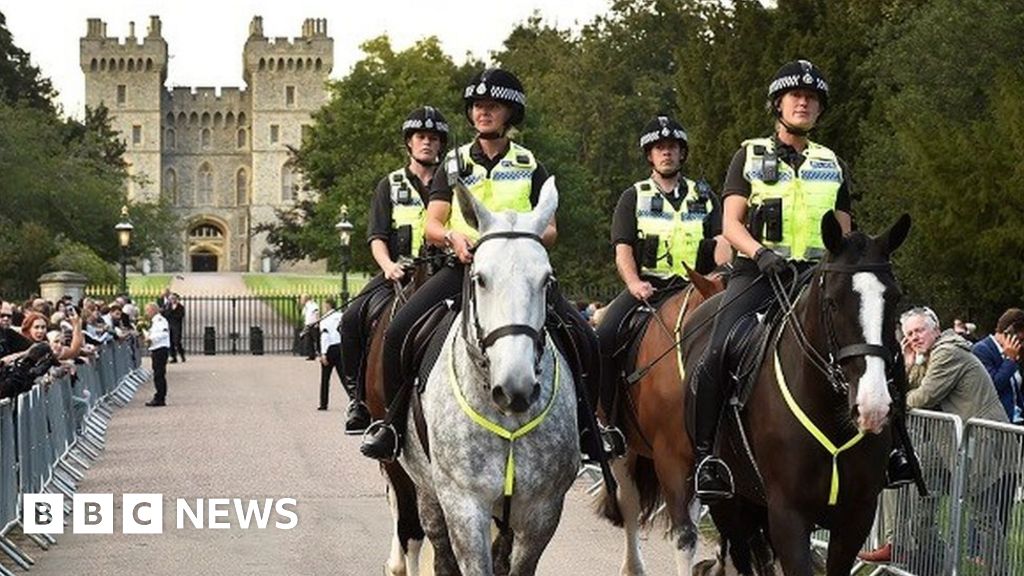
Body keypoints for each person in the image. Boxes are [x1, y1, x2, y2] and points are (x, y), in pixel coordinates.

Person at [361, 68, 611, 465]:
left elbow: (550, 230)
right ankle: (391, 427)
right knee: (399, 330)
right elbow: (432, 224)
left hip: (518, 273)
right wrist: (454, 239)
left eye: (491, 106)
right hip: (462, 269)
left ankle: (588, 430)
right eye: (477, 106)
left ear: (509, 112)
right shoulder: (455, 163)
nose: (482, 113)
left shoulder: (530, 164)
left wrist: (523, 238)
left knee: (583, 336)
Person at [691, 59, 914, 501]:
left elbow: (846, 232)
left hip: (819, 276)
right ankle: (707, 459)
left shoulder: (831, 163)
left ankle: (896, 452)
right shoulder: (748, 155)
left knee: (887, 353)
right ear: (778, 104)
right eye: (796, 96)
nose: (804, 103)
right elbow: (731, 223)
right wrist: (760, 253)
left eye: (812, 99)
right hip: (760, 272)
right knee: (716, 351)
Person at [596, 114, 727, 426]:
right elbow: (623, 248)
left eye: (672, 147)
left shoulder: (705, 196)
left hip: (698, 290)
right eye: (659, 148)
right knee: (604, 336)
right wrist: (633, 283)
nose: (666, 152)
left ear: (682, 153)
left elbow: (722, 241)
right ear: (649, 155)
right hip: (649, 289)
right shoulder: (634, 196)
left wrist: (721, 274)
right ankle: (606, 422)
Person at [860, 307, 1008, 563]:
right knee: (905, 476)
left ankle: (998, 569)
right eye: (909, 333)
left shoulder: (947, 352)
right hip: (950, 444)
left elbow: (923, 397)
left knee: (983, 519)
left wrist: (888, 403)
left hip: (981, 446)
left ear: (936, 329)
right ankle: (913, 551)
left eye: (919, 330)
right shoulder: (928, 355)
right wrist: (908, 362)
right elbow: (911, 387)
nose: (914, 337)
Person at [338, 106, 448, 434]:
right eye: (420, 137)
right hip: (398, 270)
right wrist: (387, 266)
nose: (427, 143)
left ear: (441, 145)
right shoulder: (390, 184)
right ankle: (358, 400)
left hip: (440, 272)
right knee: (351, 318)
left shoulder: (451, 183)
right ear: (409, 143)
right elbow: (376, 237)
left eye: (433, 138)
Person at [971, 307, 1023, 424]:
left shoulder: (1014, 352)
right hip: (998, 423)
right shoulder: (981, 350)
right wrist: (1010, 360)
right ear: (1008, 333)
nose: (1021, 344)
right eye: (1020, 339)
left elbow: (1016, 389)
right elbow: (992, 386)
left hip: (1016, 418)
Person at [317, 297, 343, 411]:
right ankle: (354, 400)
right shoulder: (341, 316)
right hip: (340, 346)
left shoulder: (325, 318)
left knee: (325, 378)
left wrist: (323, 353)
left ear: (328, 305)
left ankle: (324, 403)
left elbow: (324, 336)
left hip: (329, 348)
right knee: (345, 377)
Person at [143, 302, 170, 407]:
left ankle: (160, 397)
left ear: (153, 310)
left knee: (159, 374)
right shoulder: (155, 321)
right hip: (156, 348)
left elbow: (164, 333)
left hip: (160, 348)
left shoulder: (160, 320)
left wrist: (151, 339)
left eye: (148, 310)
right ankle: (159, 395)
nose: (147, 313)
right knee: (157, 373)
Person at [165, 293, 186, 363]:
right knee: (170, 342)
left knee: (177, 342)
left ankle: (182, 355)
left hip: (177, 326)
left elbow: (180, 316)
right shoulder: (168, 306)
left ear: (177, 299)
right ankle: (173, 357)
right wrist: (171, 310)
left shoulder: (181, 307)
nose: (172, 300)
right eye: (171, 299)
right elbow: (166, 315)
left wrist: (173, 311)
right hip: (169, 325)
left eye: (174, 298)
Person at [299, 294, 319, 360]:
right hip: (308, 325)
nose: (300, 301)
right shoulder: (306, 307)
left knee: (316, 340)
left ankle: (319, 353)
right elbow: (304, 315)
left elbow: (316, 313)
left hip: (313, 325)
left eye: (301, 299)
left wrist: (317, 323)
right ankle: (311, 355)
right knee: (309, 340)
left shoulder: (313, 305)